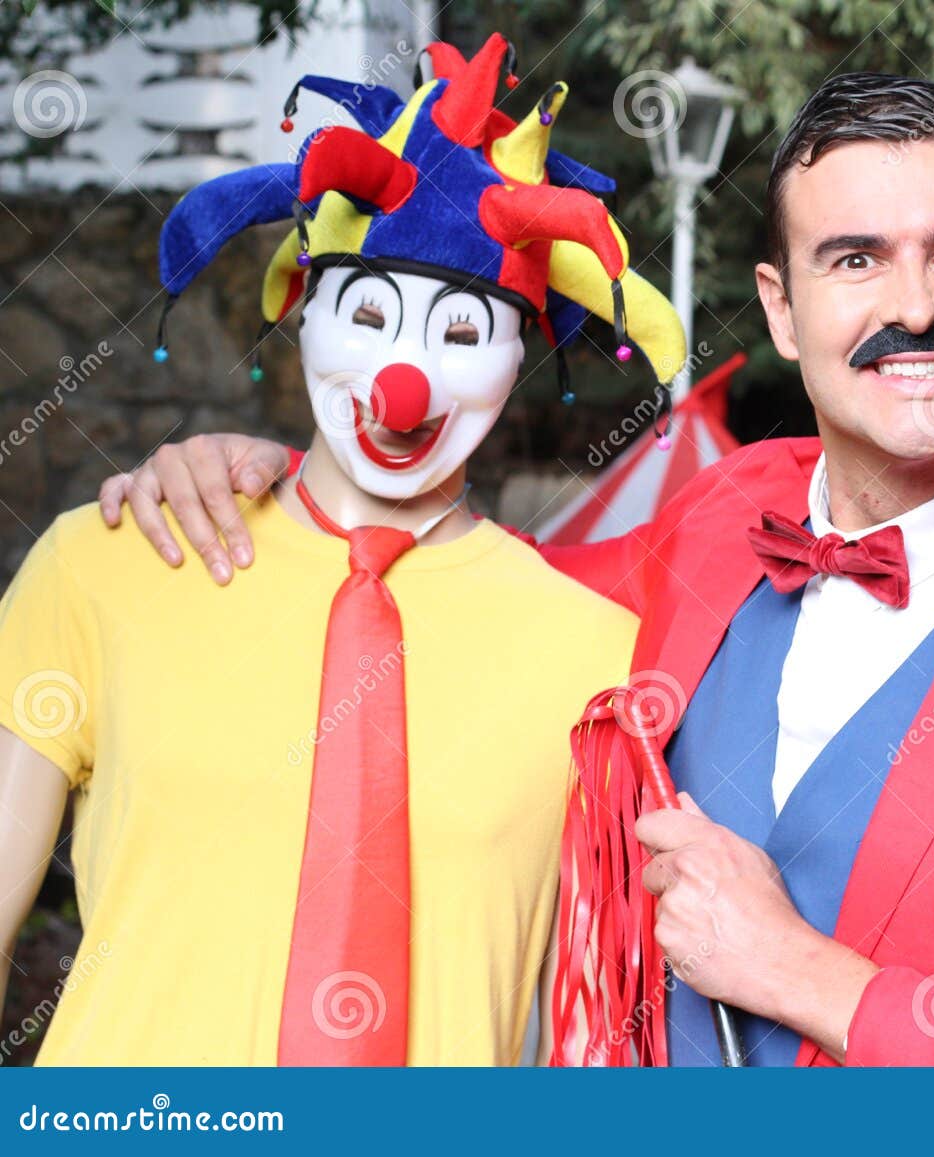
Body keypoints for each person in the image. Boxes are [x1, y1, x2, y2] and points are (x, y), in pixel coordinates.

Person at [95, 72, 934, 1066]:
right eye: (855, 259)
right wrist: (274, 479)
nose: (915, 306)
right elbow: (450, 590)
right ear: (780, 307)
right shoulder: (718, 517)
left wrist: (810, 977)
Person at [0, 33, 685, 1065]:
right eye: (368, 314)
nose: (406, 381)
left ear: (518, 361)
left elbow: (582, 1023)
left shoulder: (600, 654)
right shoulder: (109, 559)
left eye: (461, 336)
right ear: (303, 312)